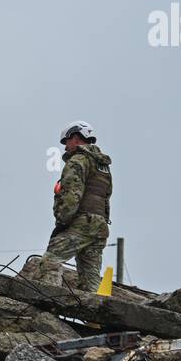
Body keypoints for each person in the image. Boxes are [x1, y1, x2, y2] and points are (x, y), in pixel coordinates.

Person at [35, 120, 112, 291]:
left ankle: (47, 306)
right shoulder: (103, 167)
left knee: (50, 261)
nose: (64, 147)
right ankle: (96, 316)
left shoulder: (78, 161)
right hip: (99, 228)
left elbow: (71, 196)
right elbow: (106, 197)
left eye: (66, 141)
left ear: (76, 138)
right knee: (90, 282)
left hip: (82, 223)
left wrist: (62, 222)